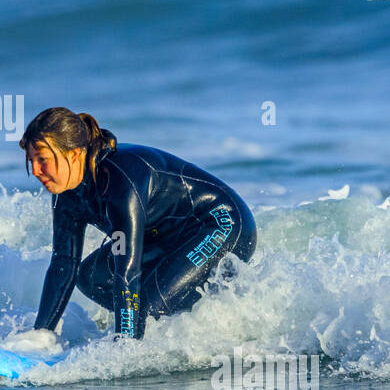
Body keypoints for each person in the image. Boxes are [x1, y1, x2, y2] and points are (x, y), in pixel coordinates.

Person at [15, 107, 257, 344]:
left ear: (74, 154)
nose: (35, 171)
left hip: (221, 224)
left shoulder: (120, 182)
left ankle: (153, 336)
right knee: (90, 276)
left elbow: (127, 271)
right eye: (31, 161)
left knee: (147, 312)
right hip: (164, 236)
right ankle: (168, 329)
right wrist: (41, 335)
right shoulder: (65, 193)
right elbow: (63, 264)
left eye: (43, 160)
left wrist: (123, 348)